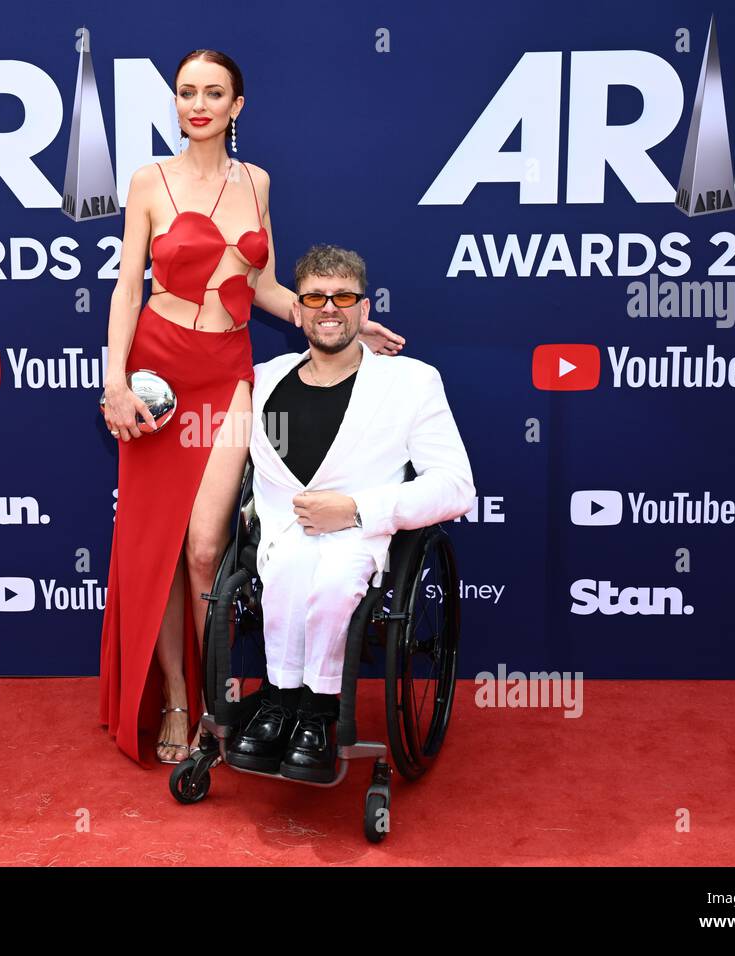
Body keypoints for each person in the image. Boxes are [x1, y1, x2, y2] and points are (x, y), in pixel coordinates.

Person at [97, 50, 406, 766]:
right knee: (160, 550)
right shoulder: (149, 182)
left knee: (206, 548)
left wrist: (338, 318)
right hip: (160, 374)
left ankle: (218, 696)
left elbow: (262, 286)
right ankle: (178, 699)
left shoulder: (256, 182)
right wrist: (115, 381)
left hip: (227, 370)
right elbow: (126, 291)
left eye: (213, 93)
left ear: (238, 106)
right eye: (185, 92)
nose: (197, 104)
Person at [226, 244, 475, 782]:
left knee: (336, 576)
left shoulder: (411, 381)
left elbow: (456, 486)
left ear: (364, 310)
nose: (329, 308)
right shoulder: (261, 378)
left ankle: (315, 712)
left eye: (343, 297)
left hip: (357, 538)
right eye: (314, 297)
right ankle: (277, 702)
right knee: (291, 566)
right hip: (281, 537)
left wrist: (359, 509)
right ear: (297, 311)